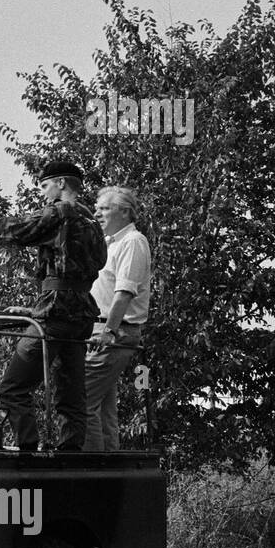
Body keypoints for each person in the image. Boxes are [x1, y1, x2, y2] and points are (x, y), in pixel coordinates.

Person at [0, 160, 106, 452]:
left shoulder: (60, 212)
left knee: (13, 388)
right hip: (80, 315)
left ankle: (27, 452)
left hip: (55, 313)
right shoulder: (92, 220)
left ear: (61, 184)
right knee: (71, 397)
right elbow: (93, 265)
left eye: (45, 186)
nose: (43, 194)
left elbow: (15, 228)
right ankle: (70, 456)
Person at [84, 186, 151, 452]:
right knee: (102, 407)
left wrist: (108, 331)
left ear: (124, 211)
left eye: (104, 209)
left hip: (113, 332)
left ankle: (88, 473)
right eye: (97, 208)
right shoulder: (111, 244)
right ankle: (108, 471)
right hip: (101, 332)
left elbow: (123, 293)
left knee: (81, 401)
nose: (97, 214)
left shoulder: (133, 241)